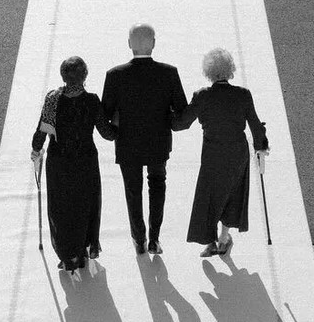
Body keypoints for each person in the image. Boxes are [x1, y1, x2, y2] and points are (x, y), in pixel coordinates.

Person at [101, 24, 187, 256]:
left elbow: (104, 115)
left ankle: (139, 240)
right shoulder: (169, 72)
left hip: (128, 143)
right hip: (158, 142)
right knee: (157, 186)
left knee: (133, 190)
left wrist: (116, 127)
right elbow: (182, 110)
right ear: (153, 43)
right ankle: (155, 238)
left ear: (129, 43)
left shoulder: (115, 75)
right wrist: (168, 120)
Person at [174, 48, 268, 259]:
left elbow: (181, 123)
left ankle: (211, 242)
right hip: (237, 153)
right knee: (232, 194)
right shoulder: (243, 94)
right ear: (230, 70)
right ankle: (224, 238)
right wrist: (261, 145)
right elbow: (254, 124)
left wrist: (167, 114)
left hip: (213, 154)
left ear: (209, 72)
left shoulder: (203, 96)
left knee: (208, 196)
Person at [32, 56, 115, 273]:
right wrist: (118, 122)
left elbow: (42, 130)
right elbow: (107, 134)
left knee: (61, 207)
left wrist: (35, 151)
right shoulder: (92, 101)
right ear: (85, 76)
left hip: (59, 162)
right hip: (85, 161)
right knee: (85, 206)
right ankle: (84, 248)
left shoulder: (53, 99)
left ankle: (66, 253)